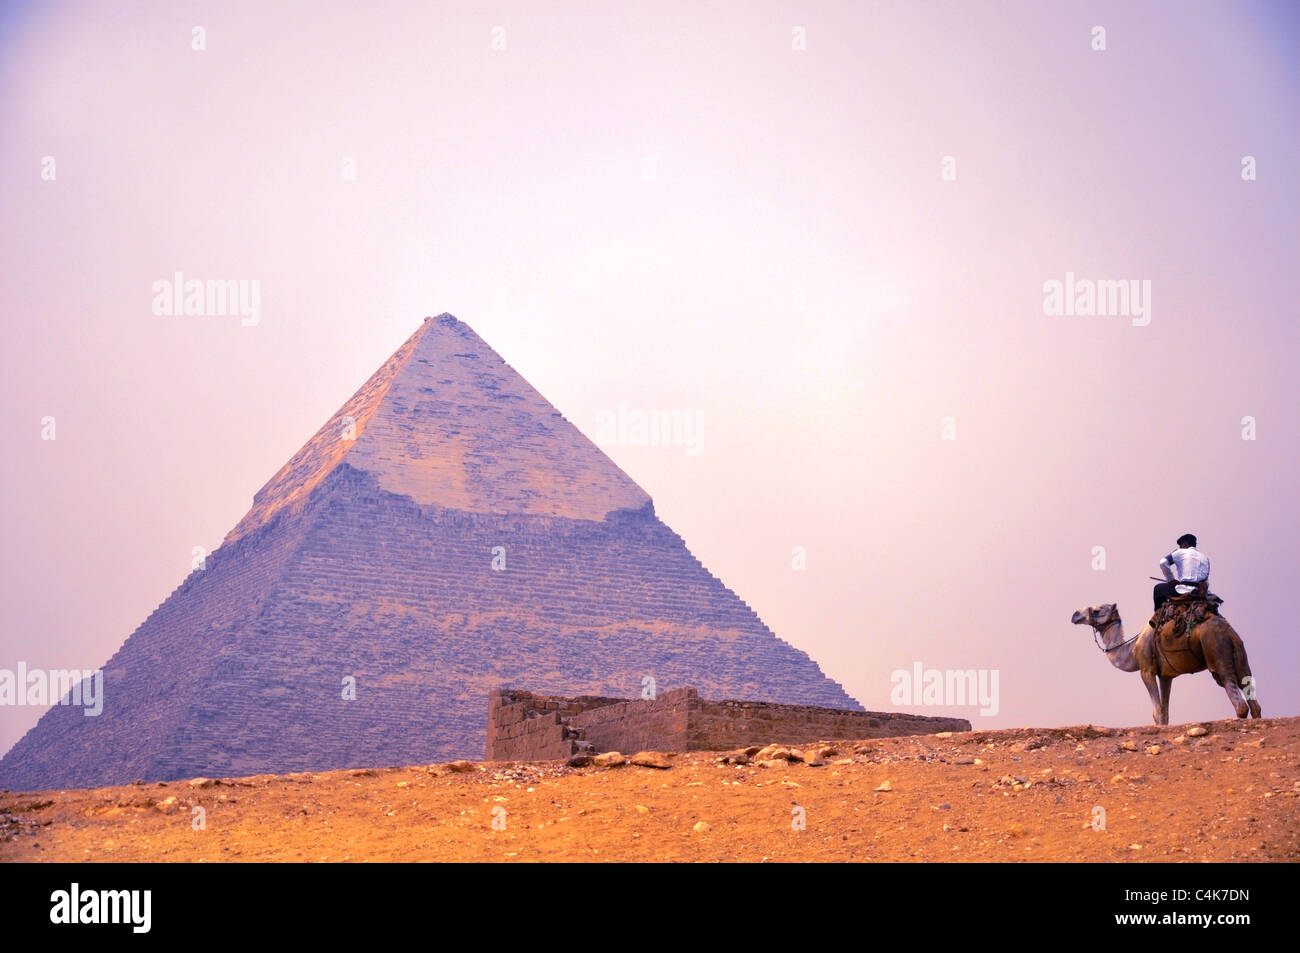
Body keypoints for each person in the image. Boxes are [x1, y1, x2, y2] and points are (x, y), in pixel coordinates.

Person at [1152, 533, 1210, 612]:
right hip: (1201, 592)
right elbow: (1206, 580)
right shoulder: (1205, 558)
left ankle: (1157, 618)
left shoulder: (1181, 552)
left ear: (1185, 544)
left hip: (1184, 590)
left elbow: (1163, 562)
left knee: (1158, 588)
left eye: (1181, 546)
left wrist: (1171, 580)